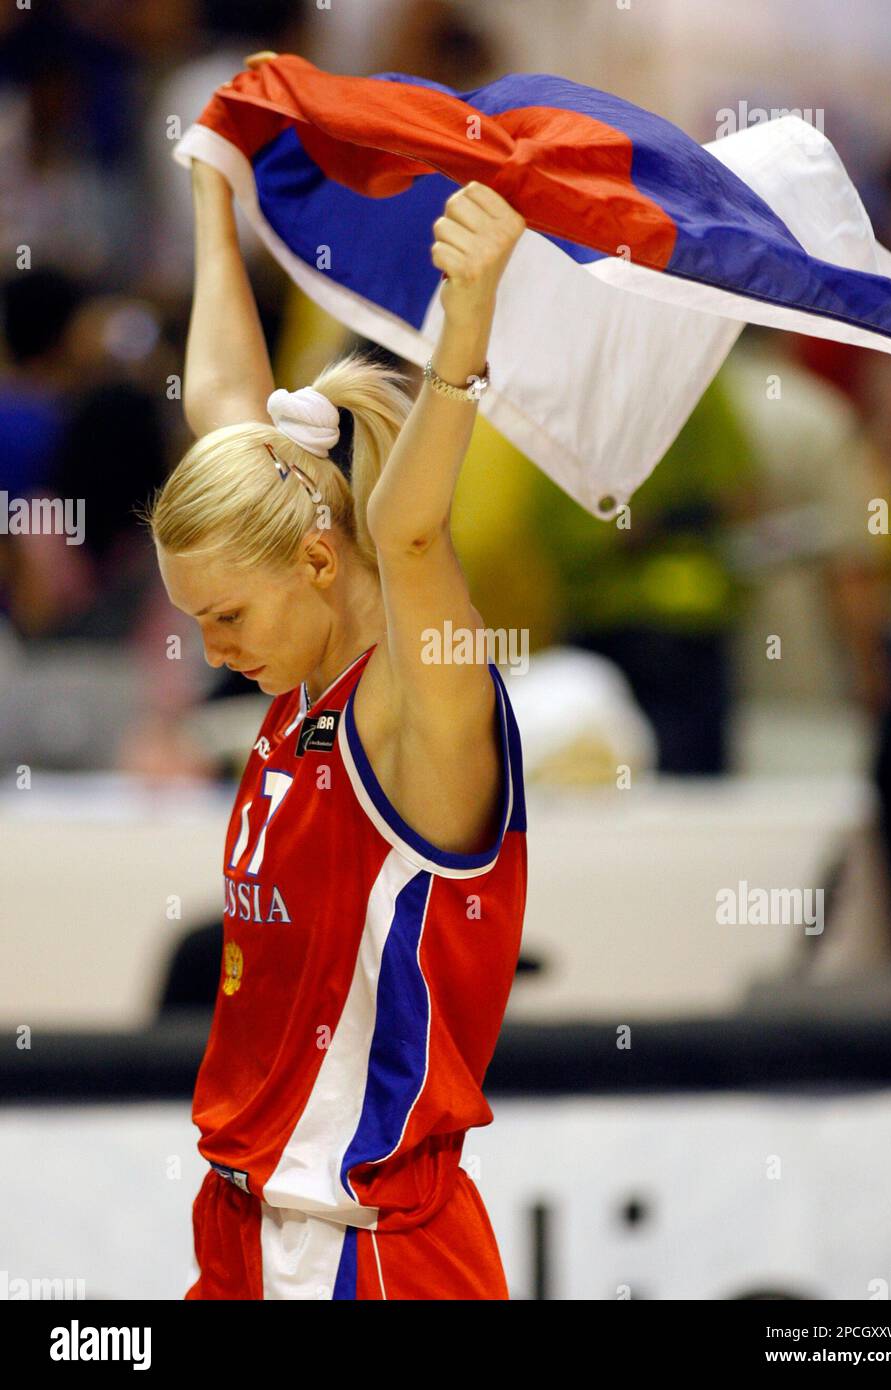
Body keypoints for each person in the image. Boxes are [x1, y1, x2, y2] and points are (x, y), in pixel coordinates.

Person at [140, 56, 529, 1300]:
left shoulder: (421, 708)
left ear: (318, 558)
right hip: (241, 1231)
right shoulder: (293, 648)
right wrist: (216, 180)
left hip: (372, 1255)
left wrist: (463, 327)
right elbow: (225, 410)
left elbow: (410, 532)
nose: (212, 651)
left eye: (225, 617)